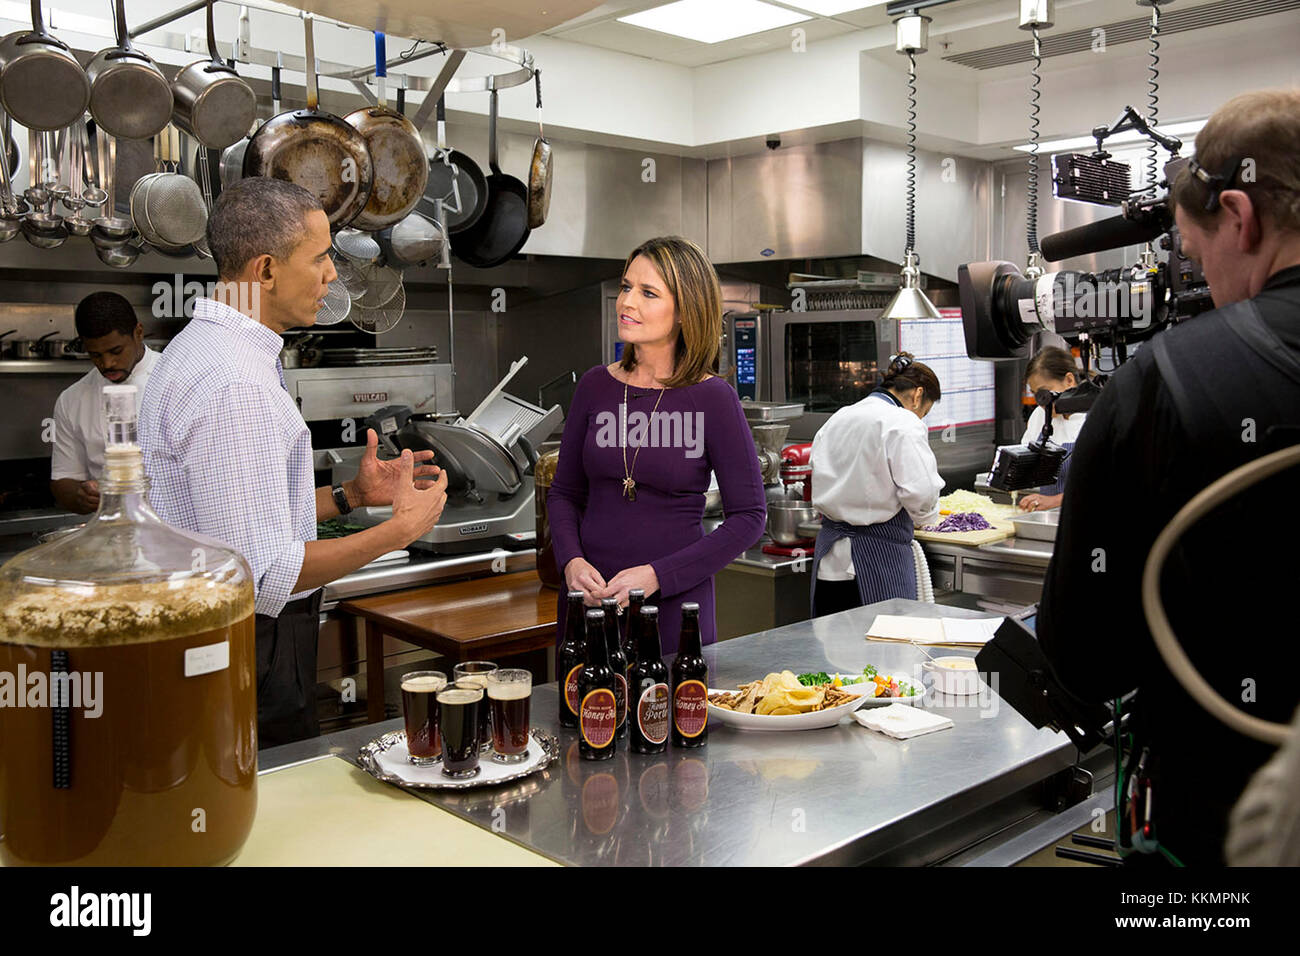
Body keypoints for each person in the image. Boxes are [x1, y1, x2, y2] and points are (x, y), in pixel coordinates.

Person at [1038, 88, 1300, 865]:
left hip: (1222, 823)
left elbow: (1081, 659)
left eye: (1195, 249)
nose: (1203, 279)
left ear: (1239, 216)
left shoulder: (1164, 383)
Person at [140, 177, 449, 748]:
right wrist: (400, 530)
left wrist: (351, 497)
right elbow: (262, 574)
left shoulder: (200, 348)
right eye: (321, 256)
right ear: (265, 271)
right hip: (247, 648)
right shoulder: (237, 383)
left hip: (218, 640)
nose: (332, 274)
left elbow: (235, 515)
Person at [547, 236, 766, 655]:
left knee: (663, 718)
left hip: (670, 608)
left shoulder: (714, 398)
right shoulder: (595, 385)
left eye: (648, 293)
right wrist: (571, 562)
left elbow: (749, 517)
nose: (627, 302)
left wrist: (658, 575)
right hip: (590, 601)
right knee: (580, 717)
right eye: (627, 287)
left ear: (685, 311)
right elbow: (565, 494)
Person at [808, 353, 944, 617]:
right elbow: (922, 493)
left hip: (829, 560)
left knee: (833, 651)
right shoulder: (903, 423)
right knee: (885, 653)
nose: (921, 418)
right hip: (876, 559)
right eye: (924, 412)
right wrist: (926, 517)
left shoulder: (839, 417)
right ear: (917, 395)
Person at [50, 291, 160, 514]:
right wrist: (80, 496)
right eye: (95, 355)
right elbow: (63, 478)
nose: (107, 363)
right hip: (113, 535)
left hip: (173, 533)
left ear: (138, 333)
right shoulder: (72, 399)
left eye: (116, 351)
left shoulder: (175, 379)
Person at [1016, 346, 1088, 513]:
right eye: (1036, 395)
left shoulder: (1097, 416)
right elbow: (1026, 464)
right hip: (1049, 519)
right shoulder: (1040, 415)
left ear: (1069, 380)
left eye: (1045, 393)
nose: (1042, 402)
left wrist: (1055, 501)